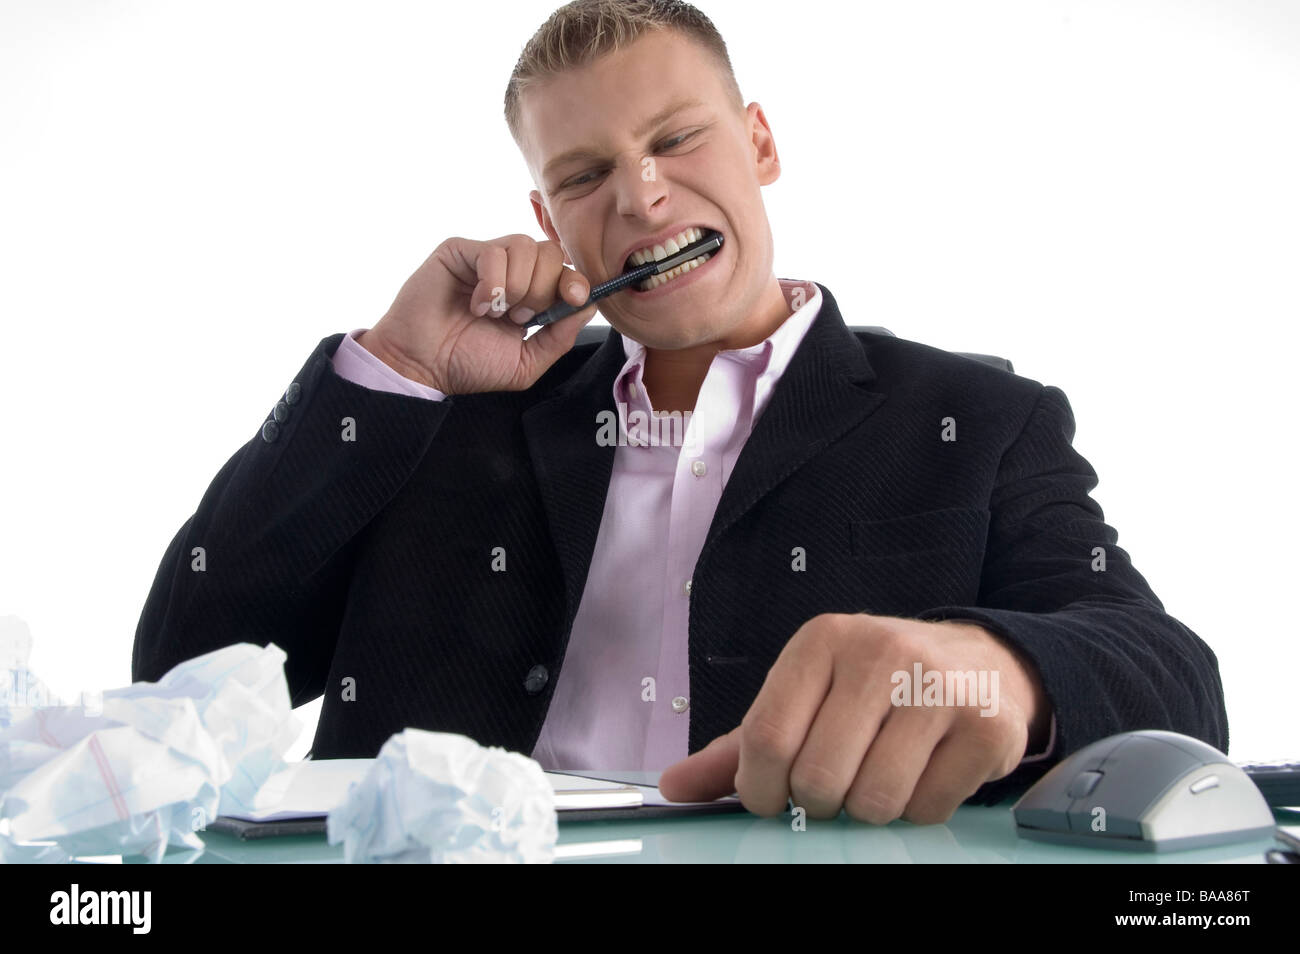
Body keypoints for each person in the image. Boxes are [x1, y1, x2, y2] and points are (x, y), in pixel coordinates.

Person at [132, 0, 1227, 824]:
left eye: (674, 139)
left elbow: (1171, 683)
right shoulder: (444, 413)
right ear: (546, 216)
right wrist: (392, 369)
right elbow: (184, 665)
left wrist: (997, 671)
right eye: (583, 174)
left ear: (759, 142)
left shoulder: (978, 417)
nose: (640, 195)